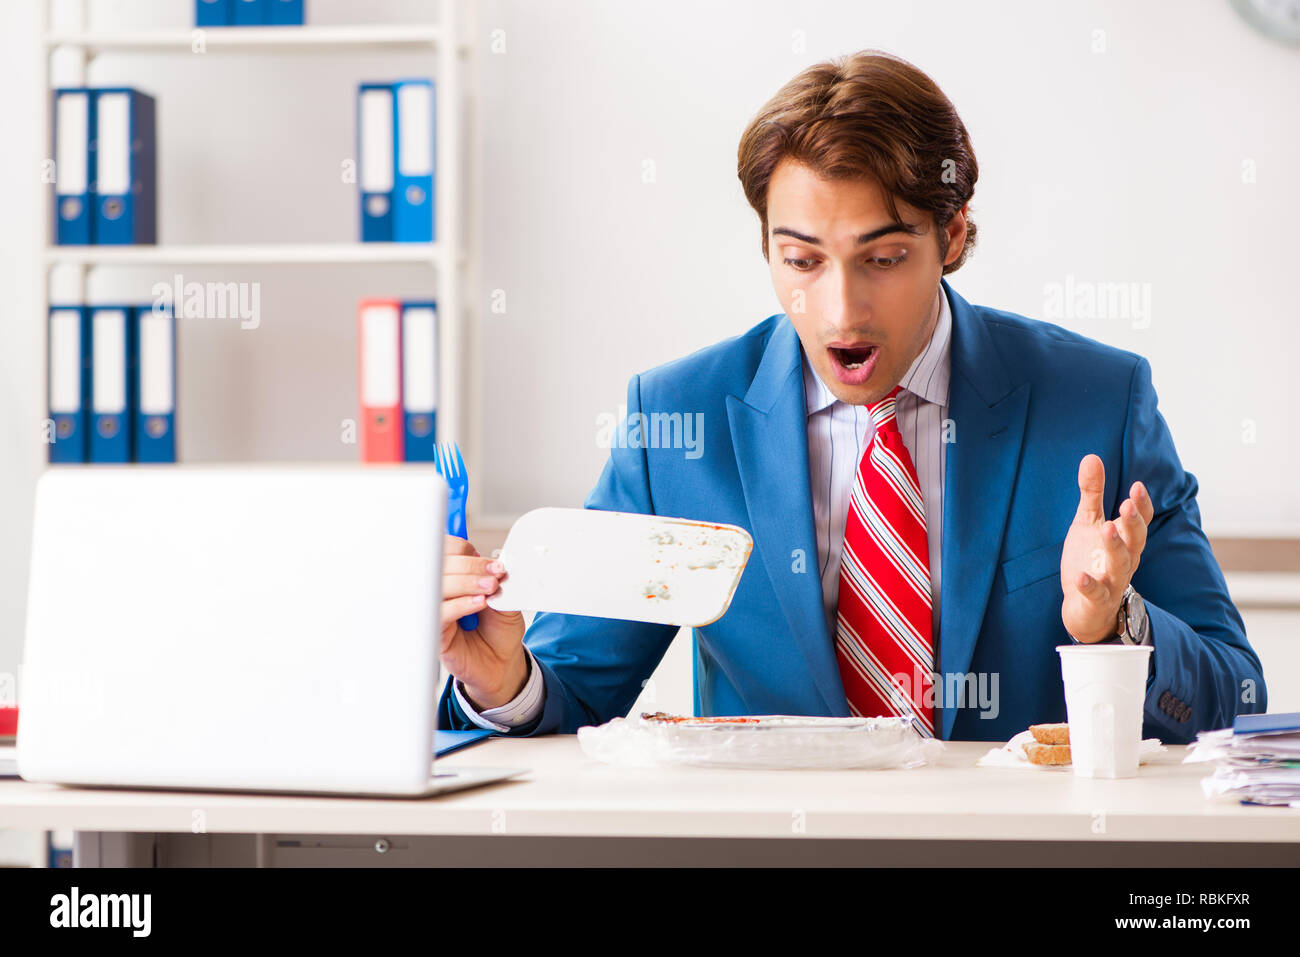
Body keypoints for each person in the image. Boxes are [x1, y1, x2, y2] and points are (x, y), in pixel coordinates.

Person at [436, 50, 1265, 744]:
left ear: (954, 235)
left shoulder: (1097, 401)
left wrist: (1117, 626)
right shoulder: (676, 423)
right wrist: (508, 680)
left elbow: (1238, 697)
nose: (840, 311)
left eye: (884, 258)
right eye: (802, 261)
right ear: (765, 246)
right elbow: (578, 691)